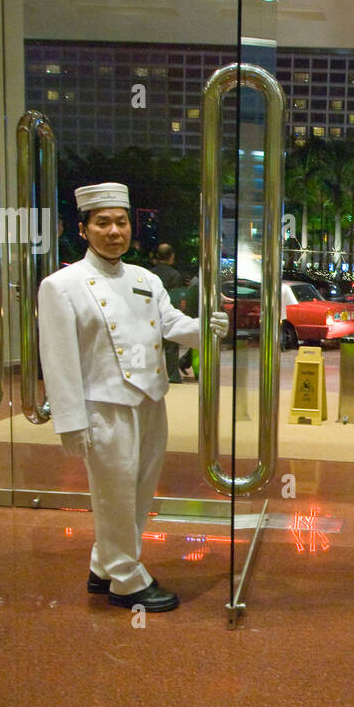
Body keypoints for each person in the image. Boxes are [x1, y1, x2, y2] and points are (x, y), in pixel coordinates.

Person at [39, 183, 229, 613]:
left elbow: (170, 323)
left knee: (140, 492)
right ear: (83, 229)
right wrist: (70, 420)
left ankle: (103, 566)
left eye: (121, 222)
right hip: (103, 408)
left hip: (150, 400)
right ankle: (125, 579)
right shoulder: (61, 285)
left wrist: (206, 328)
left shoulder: (145, 279)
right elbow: (58, 358)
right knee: (115, 495)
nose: (114, 231)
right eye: (102, 223)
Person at [150, 243, 186, 383]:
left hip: (150, 314)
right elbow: (175, 298)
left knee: (152, 346)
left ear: (157, 256)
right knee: (171, 346)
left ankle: (152, 375)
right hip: (167, 313)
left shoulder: (149, 274)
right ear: (172, 257)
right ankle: (173, 375)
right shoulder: (174, 275)